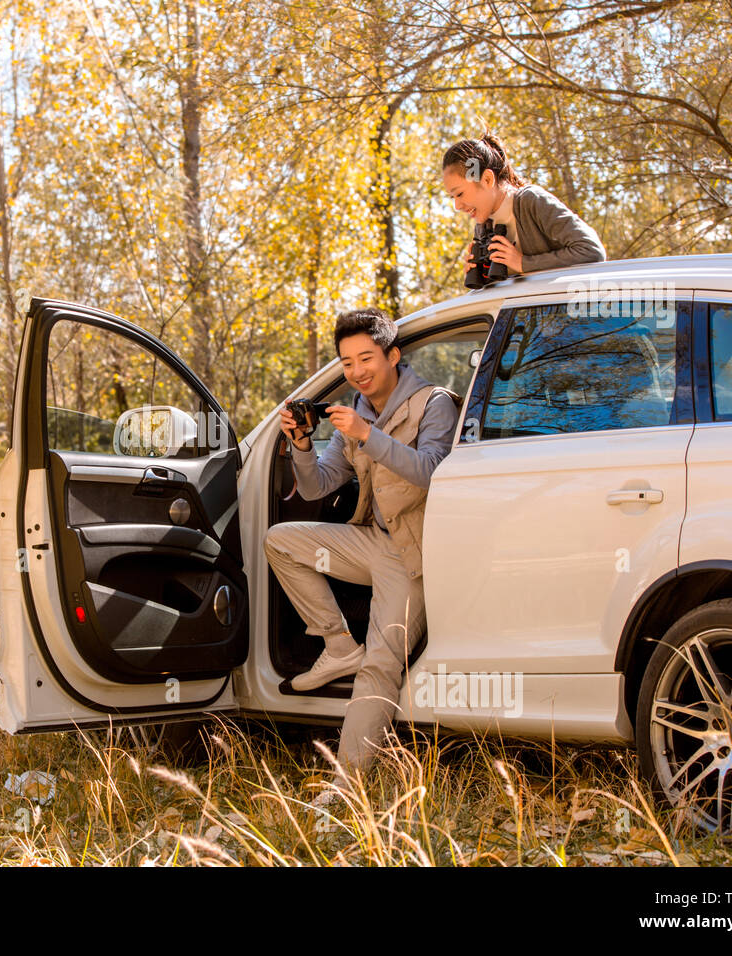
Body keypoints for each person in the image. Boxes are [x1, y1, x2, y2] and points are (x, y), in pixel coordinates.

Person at [264, 307, 459, 775]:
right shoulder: (356, 411)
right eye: (347, 363)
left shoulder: (434, 404)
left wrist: (367, 435)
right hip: (370, 540)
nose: (357, 372)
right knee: (281, 541)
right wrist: (303, 448)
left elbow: (433, 471)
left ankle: (348, 784)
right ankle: (336, 646)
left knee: (380, 664)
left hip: (413, 553)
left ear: (393, 355)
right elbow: (318, 486)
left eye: (366, 358)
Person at [441, 131, 606, 278]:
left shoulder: (531, 201)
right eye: (452, 197)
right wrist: (481, 277)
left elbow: (591, 250)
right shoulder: (484, 227)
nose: (457, 205)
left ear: (487, 179)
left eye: (460, 194)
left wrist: (523, 263)